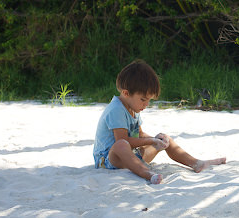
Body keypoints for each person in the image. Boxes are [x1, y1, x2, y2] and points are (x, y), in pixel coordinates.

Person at [93, 60, 226, 184]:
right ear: (126, 93)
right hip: (108, 160)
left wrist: (156, 139)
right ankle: (147, 173)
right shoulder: (116, 109)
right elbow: (122, 141)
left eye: (149, 100)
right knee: (122, 144)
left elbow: (139, 134)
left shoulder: (133, 108)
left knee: (164, 138)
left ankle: (196, 163)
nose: (146, 104)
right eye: (143, 100)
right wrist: (151, 141)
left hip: (131, 157)